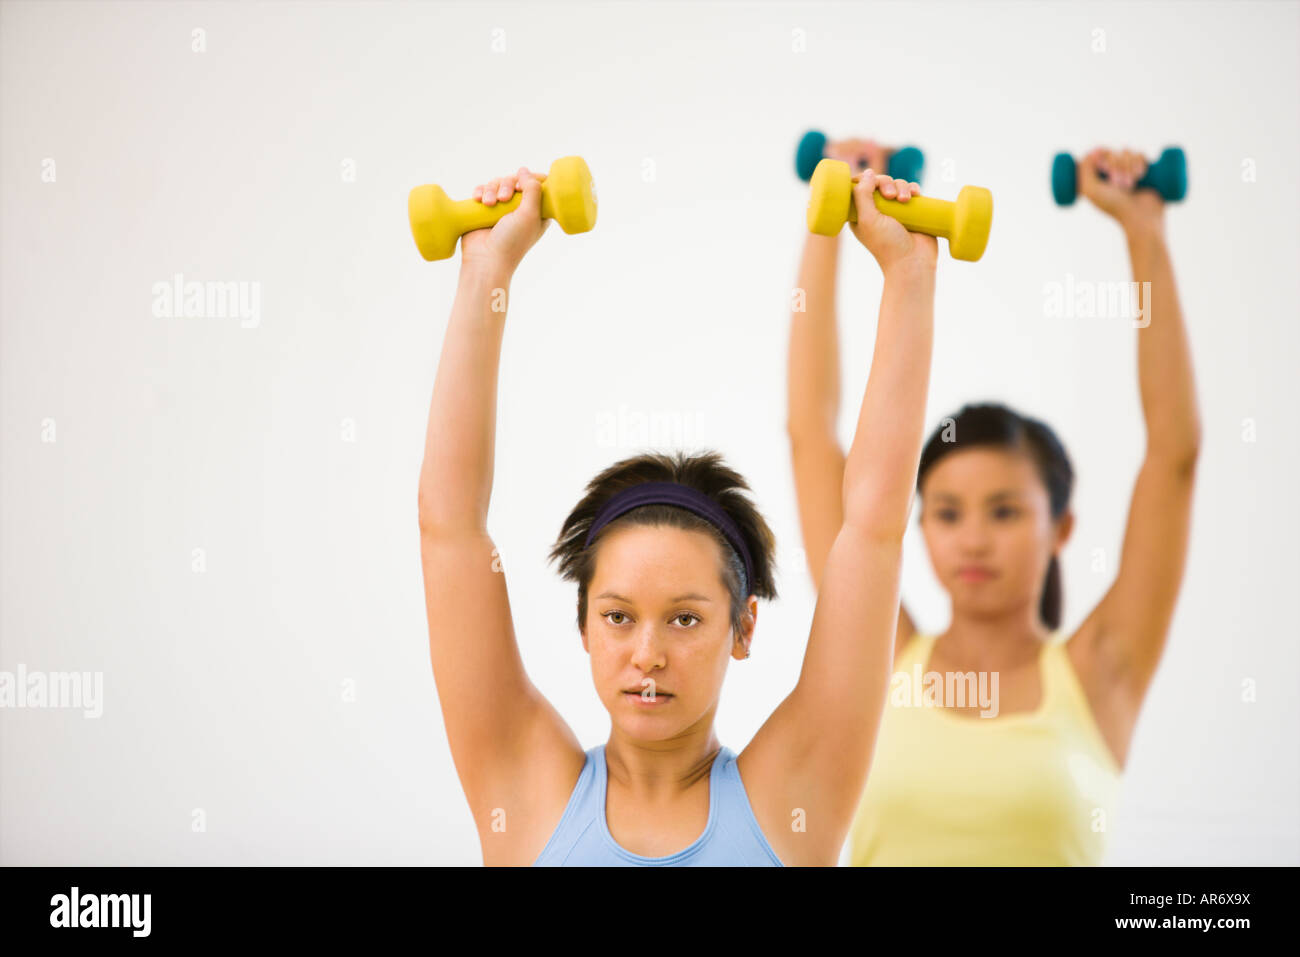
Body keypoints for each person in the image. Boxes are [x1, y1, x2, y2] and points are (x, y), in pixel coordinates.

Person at [418, 162, 938, 865]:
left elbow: (873, 527)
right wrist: (485, 270)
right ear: (582, 623)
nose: (647, 654)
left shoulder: (794, 794)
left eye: (686, 617)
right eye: (618, 615)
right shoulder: (524, 787)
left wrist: (909, 276)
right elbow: (449, 526)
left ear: (743, 625)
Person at [786, 142, 1201, 865]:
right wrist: (829, 222)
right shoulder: (879, 660)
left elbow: (1174, 457)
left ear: (1060, 527)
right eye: (946, 512)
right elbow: (811, 438)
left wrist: (1145, 234)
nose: (972, 539)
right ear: (919, 527)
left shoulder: (1102, 671)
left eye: (1004, 511)